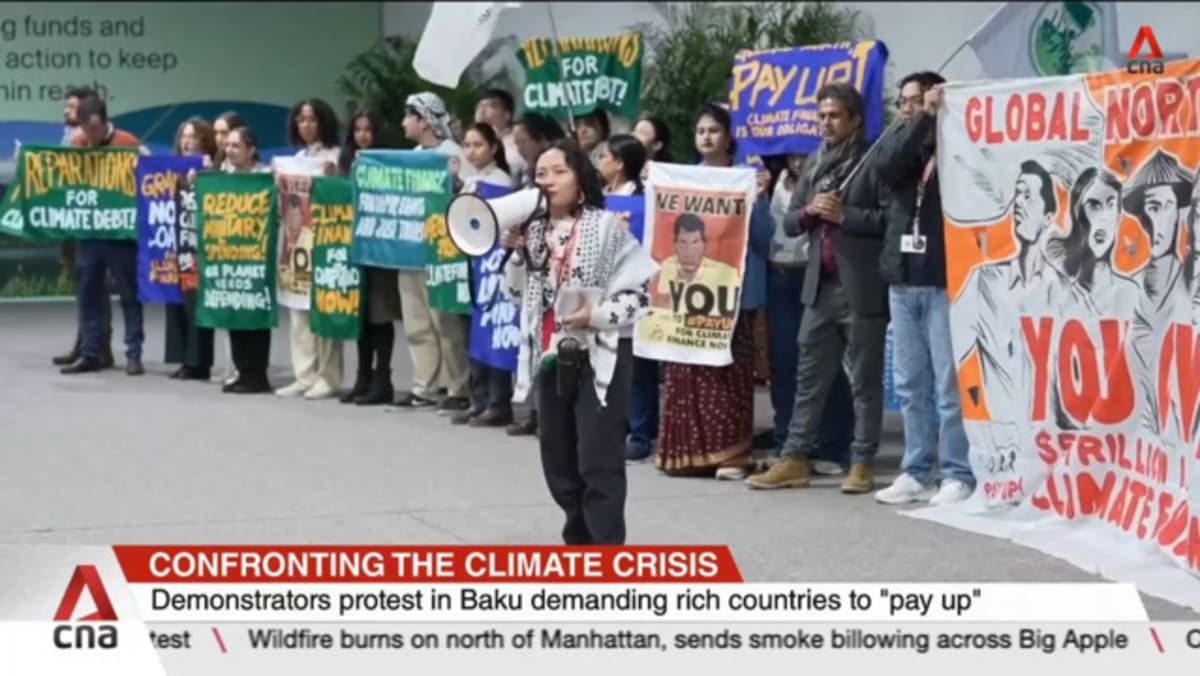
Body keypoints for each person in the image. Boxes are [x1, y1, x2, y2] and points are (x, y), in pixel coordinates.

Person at [501, 139, 657, 544]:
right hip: (551, 355)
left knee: (598, 460)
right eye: (540, 174)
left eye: (559, 172)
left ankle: (604, 552)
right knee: (558, 459)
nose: (548, 181)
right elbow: (517, 294)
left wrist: (596, 316)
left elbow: (641, 296)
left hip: (601, 354)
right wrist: (516, 254)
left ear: (580, 179)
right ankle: (578, 537)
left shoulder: (606, 228)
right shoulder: (532, 232)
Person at [746, 83, 891, 494]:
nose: (826, 123)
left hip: (860, 287)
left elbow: (887, 220)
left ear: (855, 120)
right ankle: (794, 458)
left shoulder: (873, 159)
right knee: (809, 377)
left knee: (864, 381)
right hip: (818, 287)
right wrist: (811, 211)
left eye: (835, 116)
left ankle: (861, 461)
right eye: (822, 116)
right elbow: (789, 223)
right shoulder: (813, 161)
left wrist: (847, 215)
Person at [655, 104, 772, 480]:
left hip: (734, 297)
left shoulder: (745, 180)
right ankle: (684, 452)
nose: (706, 137)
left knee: (728, 373)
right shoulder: (681, 181)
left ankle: (732, 455)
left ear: (728, 137)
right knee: (687, 370)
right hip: (688, 295)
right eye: (700, 130)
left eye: (714, 131)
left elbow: (765, 239)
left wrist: (758, 200)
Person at [872, 74, 973, 505]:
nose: (908, 108)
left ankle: (957, 472)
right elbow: (885, 168)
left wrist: (940, 119)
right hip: (902, 280)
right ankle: (916, 470)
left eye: (917, 101)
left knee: (948, 386)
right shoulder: (902, 148)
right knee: (910, 383)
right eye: (904, 102)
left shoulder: (956, 148)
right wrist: (918, 123)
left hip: (941, 281)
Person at [763, 150, 855, 476]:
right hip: (778, 275)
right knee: (787, 363)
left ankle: (834, 445)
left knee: (825, 362)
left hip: (814, 273)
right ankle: (788, 440)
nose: (797, 159)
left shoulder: (831, 172)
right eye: (792, 153)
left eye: (803, 152)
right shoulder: (771, 179)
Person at [392, 92, 472, 412]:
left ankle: (457, 385)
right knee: (417, 322)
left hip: (442, 250)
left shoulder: (453, 155)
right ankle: (425, 385)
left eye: (408, 117)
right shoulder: (410, 157)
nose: (403, 123)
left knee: (446, 321)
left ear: (423, 120)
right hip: (410, 248)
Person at [61, 96, 147, 376]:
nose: (91, 135)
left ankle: (133, 353)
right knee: (88, 294)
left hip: (120, 235)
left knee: (129, 296)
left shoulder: (127, 142)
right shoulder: (78, 144)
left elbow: (150, 176)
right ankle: (90, 352)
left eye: (95, 129)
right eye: (86, 129)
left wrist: (142, 164)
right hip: (89, 233)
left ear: (105, 121)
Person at [501, 112, 567, 436]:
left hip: (563, 277)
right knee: (532, 339)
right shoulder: (524, 180)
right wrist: (513, 242)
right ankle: (536, 411)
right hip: (534, 275)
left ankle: (556, 417)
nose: (520, 149)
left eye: (524, 142)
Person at [273, 98, 344, 400]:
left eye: (312, 119)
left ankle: (329, 377)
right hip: (296, 240)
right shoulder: (298, 157)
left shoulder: (337, 156)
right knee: (298, 310)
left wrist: (334, 178)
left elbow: (344, 195)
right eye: (301, 120)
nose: (306, 125)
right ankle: (305, 375)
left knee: (323, 309)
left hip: (326, 239)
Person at [337, 108, 404, 406]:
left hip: (380, 247)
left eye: (368, 129)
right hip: (352, 248)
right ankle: (361, 376)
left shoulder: (389, 162)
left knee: (380, 316)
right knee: (360, 317)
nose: (362, 135)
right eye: (357, 129)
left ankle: (383, 379)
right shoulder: (346, 161)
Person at [597, 135, 657, 460]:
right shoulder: (598, 197)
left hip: (633, 292)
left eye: (604, 156)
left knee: (636, 368)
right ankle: (612, 427)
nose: (599, 162)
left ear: (619, 162)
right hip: (601, 293)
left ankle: (641, 431)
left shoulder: (643, 202)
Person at [454, 122, 516, 427]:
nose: (471, 151)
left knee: (495, 332)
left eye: (478, 144)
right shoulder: (469, 179)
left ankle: (497, 401)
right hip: (473, 260)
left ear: (493, 147)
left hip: (494, 264)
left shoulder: (500, 181)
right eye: (467, 145)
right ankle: (476, 399)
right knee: (475, 332)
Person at [52, 86, 113, 370]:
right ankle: (84, 344)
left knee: (94, 288)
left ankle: (99, 347)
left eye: (72, 107)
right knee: (83, 288)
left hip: (95, 225)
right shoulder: (69, 139)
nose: (67, 111)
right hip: (71, 221)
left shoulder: (99, 143)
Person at [219, 126, 275, 394]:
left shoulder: (265, 177)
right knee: (235, 312)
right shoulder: (221, 178)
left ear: (251, 149)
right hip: (230, 255)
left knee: (255, 314)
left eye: (235, 146)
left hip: (258, 255)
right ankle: (242, 371)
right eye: (227, 146)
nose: (229, 151)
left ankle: (258, 374)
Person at [165, 117, 219, 382]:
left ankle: (198, 362)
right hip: (174, 244)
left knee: (196, 305)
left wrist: (203, 178)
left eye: (193, 137)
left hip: (200, 248)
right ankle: (184, 359)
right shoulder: (172, 170)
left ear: (204, 141)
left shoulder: (211, 169)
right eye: (183, 137)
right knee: (177, 303)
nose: (187, 142)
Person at [475, 88, 526, 186]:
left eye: (491, 106)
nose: (482, 111)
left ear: (507, 115)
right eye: (480, 106)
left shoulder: (517, 144)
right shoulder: (468, 146)